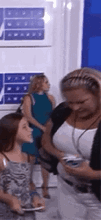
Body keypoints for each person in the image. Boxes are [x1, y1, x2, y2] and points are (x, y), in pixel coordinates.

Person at [42, 67, 101, 220]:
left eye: (81, 102)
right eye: (70, 102)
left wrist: (93, 174)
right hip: (67, 190)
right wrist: (59, 155)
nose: (75, 108)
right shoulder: (63, 111)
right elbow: (46, 140)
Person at [0, 113, 45, 220]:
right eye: (24, 127)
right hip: (1, 214)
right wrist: (9, 199)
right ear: (12, 131)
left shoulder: (29, 158)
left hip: (25, 213)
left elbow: (29, 183)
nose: (31, 130)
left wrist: (35, 196)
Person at [21, 74, 55, 198]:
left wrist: (48, 129)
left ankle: (45, 187)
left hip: (47, 132)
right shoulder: (29, 98)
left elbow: (53, 116)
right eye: (46, 82)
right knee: (29, 160)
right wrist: (42, 128)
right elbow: (28, 116)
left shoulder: (50, 98)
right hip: (33, 131)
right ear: (39, 83)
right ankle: (30, 184)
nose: (48, 84)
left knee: (45, 160)